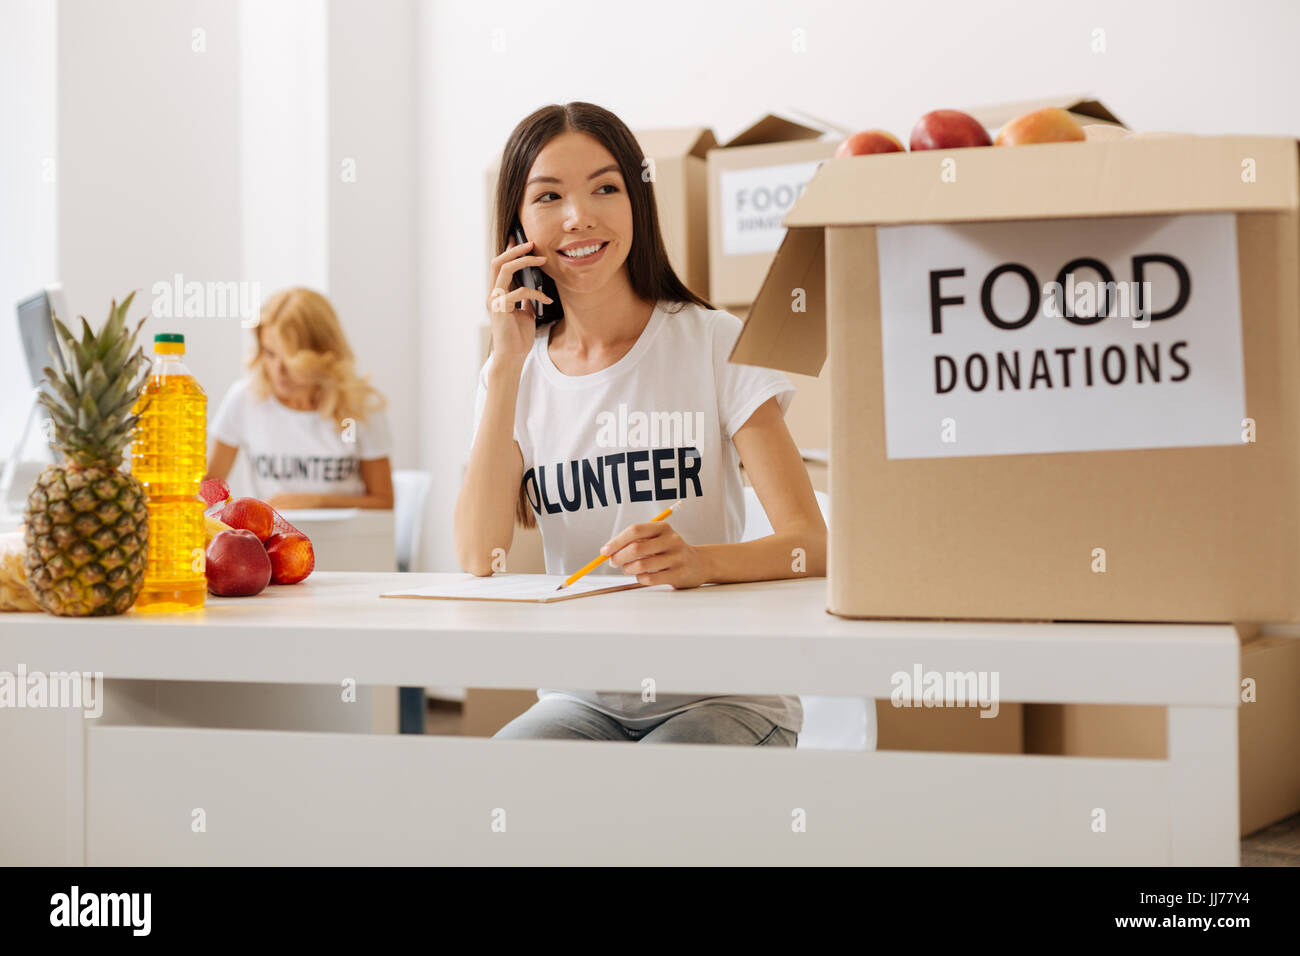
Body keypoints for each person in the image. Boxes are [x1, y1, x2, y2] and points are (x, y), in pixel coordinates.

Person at [455, 102, 827, 746]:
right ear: (518, 223)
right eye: (549, 196)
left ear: (638, 204)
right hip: (583, 700)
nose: (579, 217)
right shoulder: (514, 375)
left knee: (652, 804)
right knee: (500, 787)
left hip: (723, 696)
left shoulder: (712, 341)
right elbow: (477, 557)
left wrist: (700, 562)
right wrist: (508, 364)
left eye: (606, 188)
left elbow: (811, 545)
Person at [205, 287, 394, 510]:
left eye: (291, 359)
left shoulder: (359, 406)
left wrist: (315, 502)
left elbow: (383, 502)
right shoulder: (244, 399)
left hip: (344, 541)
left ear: (323, 355)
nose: (278, 371)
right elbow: (208, 491)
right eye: (270, 353)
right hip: (271, 543)